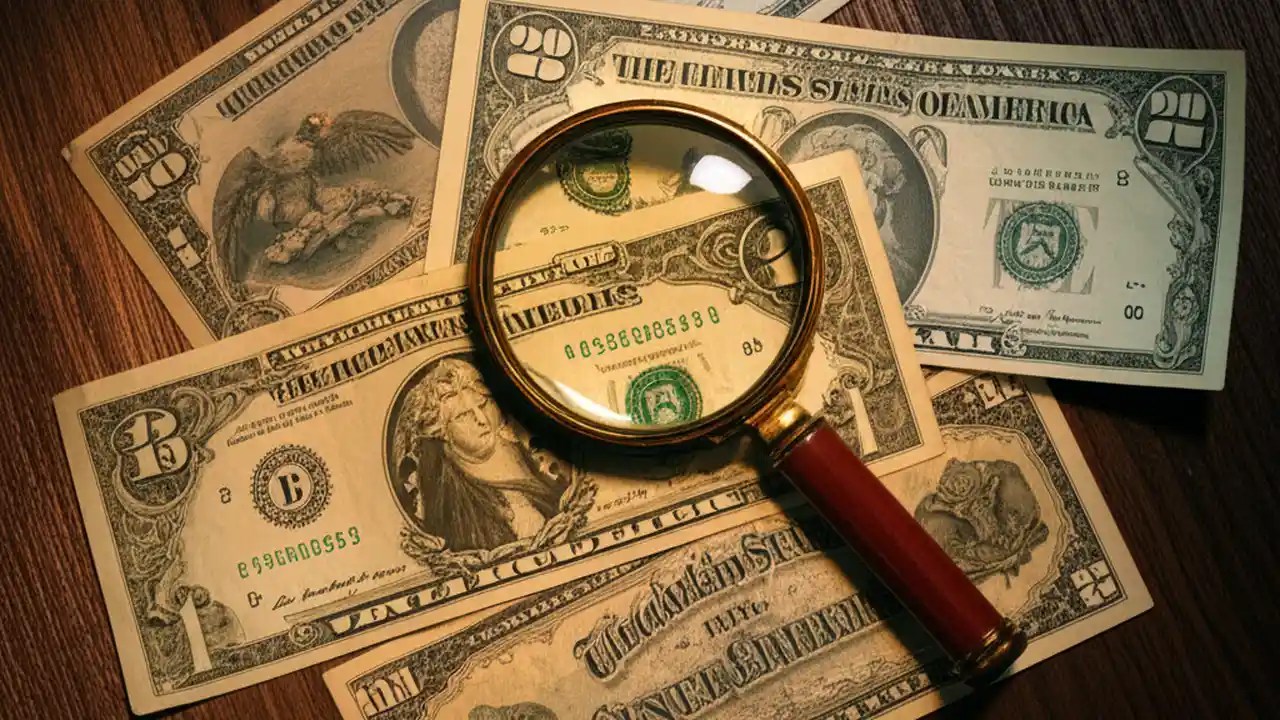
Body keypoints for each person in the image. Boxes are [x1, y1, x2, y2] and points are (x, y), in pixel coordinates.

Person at [395, 358, 570, 551]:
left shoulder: (523, 448)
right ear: (442, 432)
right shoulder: (449, 495)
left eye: (483, 405)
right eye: (463, 416)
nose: (481, 419)